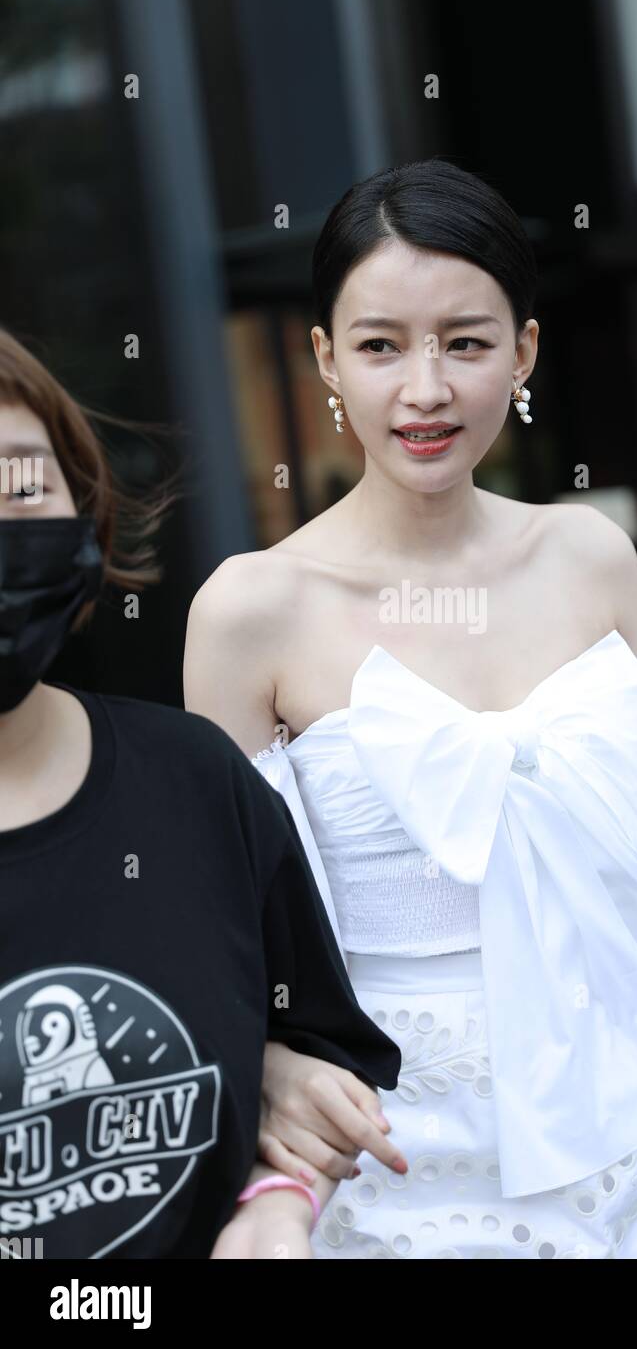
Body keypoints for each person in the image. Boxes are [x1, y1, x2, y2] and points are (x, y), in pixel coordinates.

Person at [183, 158, 637, 1260]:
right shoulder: (250, 610)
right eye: (379, 345)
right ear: (324, 360)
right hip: (401, 1150)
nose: (425, 388)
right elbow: (218, 920)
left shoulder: (589, 556)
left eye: (464, 341)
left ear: (524, 351)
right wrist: (271, 1081)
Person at [0, 327, 404, 1260]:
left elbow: (307, 1047)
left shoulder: (194, 783)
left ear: (85, 506)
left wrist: (272, 1191)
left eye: (24, 486)